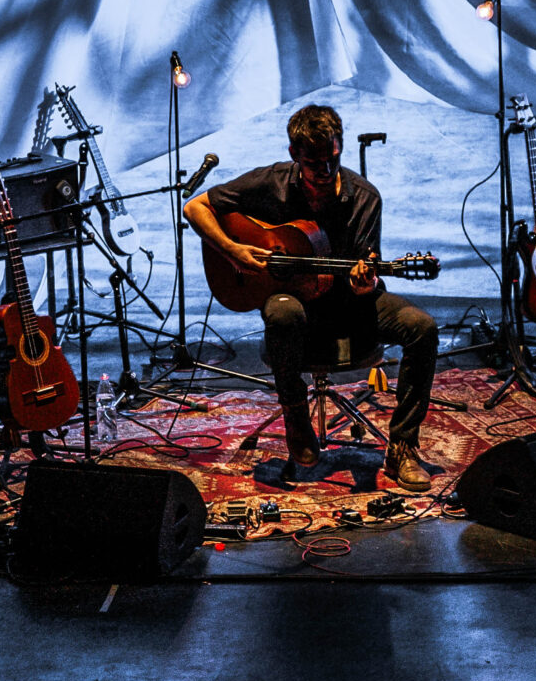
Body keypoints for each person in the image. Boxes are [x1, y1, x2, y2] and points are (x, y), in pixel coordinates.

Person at [185, 104, 439, 491]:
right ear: (294, 156)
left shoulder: (365, 199)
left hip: (350, 303)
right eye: (313, 162)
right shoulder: (270, 182)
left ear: (340, 148)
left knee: (422, 328)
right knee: (282, 314)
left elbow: (366, 269)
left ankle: (402, 445)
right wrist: (232, 250)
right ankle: (296, 418)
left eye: (332, 159)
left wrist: (364, 283)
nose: (325, 171)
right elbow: (195, 206)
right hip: (293, 300)